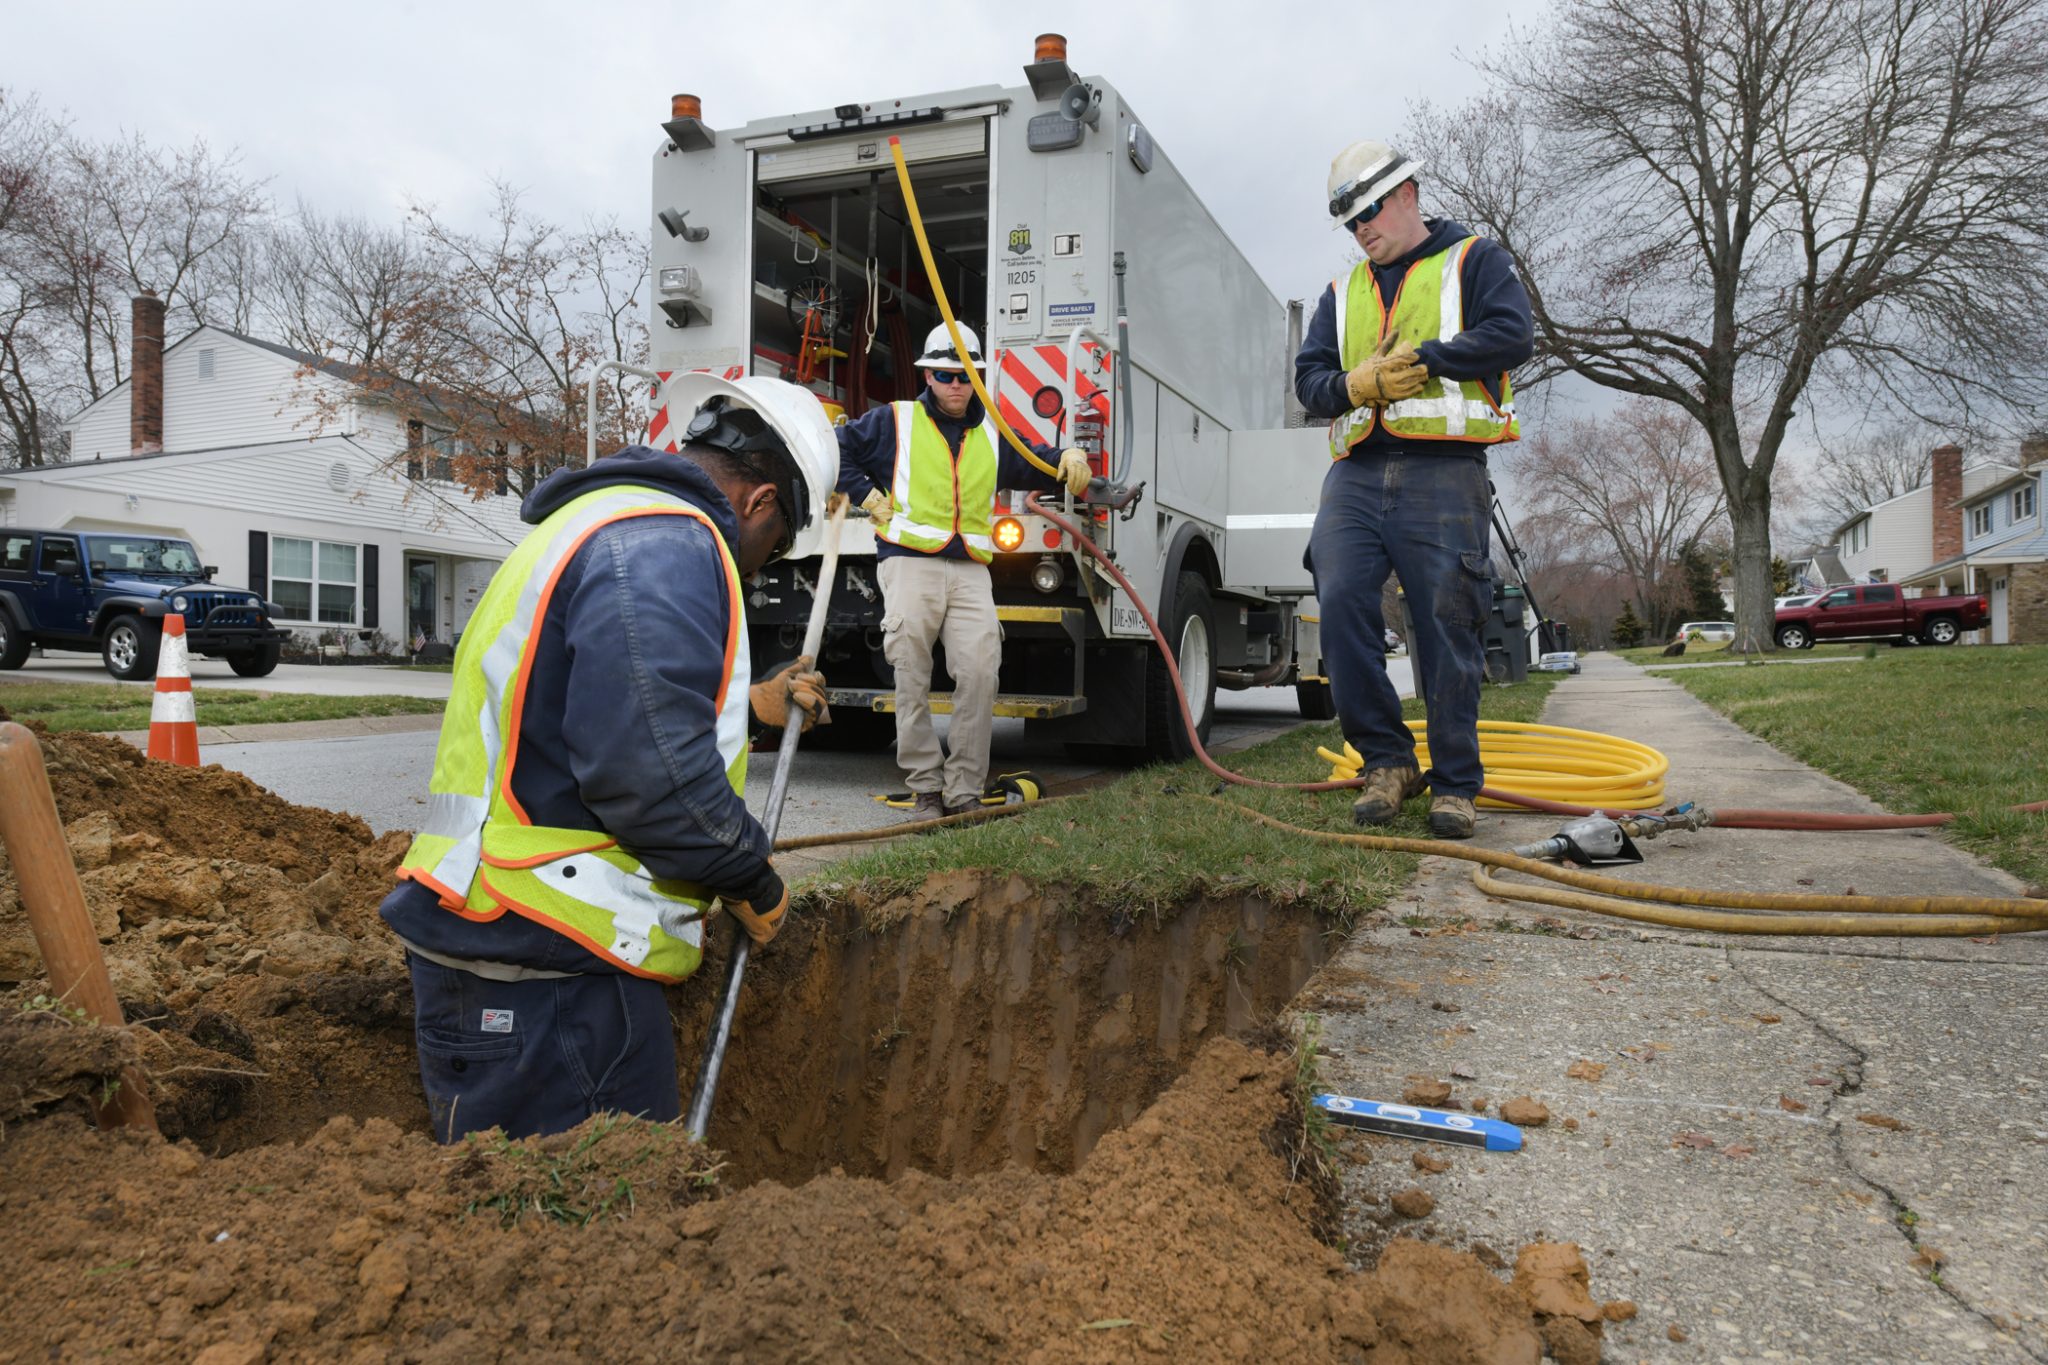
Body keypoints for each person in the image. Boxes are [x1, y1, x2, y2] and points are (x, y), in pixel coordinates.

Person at [379, 374, 840, 1142]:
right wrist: (748, 873)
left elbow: (580, 708)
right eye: (778, 544)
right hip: (555, 970)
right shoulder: (671, 542)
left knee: (517, 1239)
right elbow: (647, 776)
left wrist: (747, 710)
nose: (762, 566)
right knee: (595, 1246)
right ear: (760, 501)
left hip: (494, 938)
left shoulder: (593, 523)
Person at [1294, 141, 1534, 838]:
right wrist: (1353, 384)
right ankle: (1388, 762)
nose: (1361, 228)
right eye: (1349, 221)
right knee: (1339, 603)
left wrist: (1427, 360)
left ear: (1407, 195)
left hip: (1445, 469)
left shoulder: (1474, 260)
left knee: (1444, 618)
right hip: (1359, 472)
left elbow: (1512, 335)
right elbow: (1309, 382)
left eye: (1368, 211)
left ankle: (1456, 783)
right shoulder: (1340, 296)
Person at [836, 322, 1091, 818]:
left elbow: (1035, 460)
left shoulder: (991, 433)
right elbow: (837, 446)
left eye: (965, 375)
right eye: (945, 374)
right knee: (911, 674)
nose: (955, 384)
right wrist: (863, 492)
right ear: (928, 375)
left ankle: (964, 791)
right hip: (909, 563)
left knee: (979, 672)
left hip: (971, 570)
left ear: (977, 378)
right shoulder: (895, 421)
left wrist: (1067, 456)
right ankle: (927, 788)